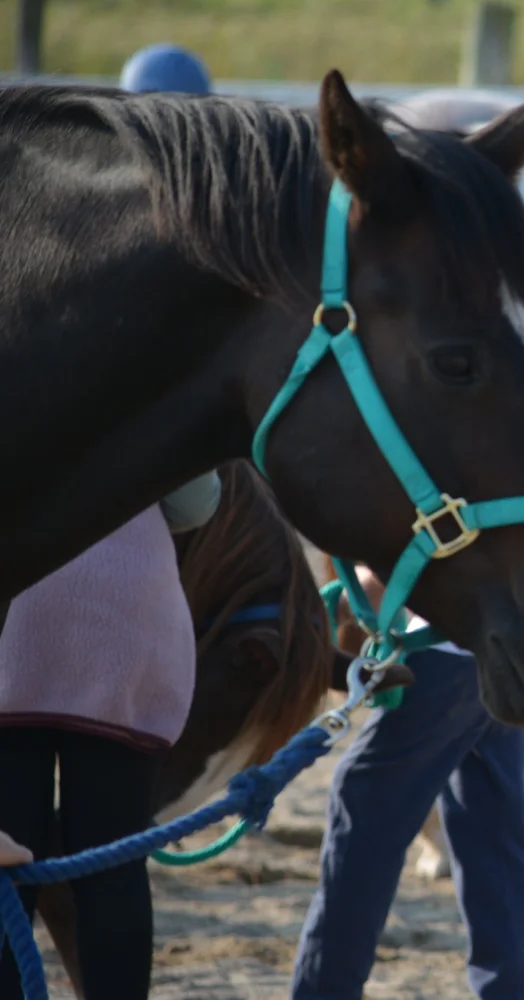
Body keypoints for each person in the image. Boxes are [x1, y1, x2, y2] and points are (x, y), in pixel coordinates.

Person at [0, 46, 220, 1000]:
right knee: (111, 863)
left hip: (12, 627)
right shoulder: (172, 309)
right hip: (126, 631)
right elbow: (200, 503)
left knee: (5, 861)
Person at [290, 566, 524, 1000]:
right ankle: (509, 990)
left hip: (444, 647)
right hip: (513, 642)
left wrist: (341, 602)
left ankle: (324, 990)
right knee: (492, 826)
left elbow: (405, 552)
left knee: (363, 801)